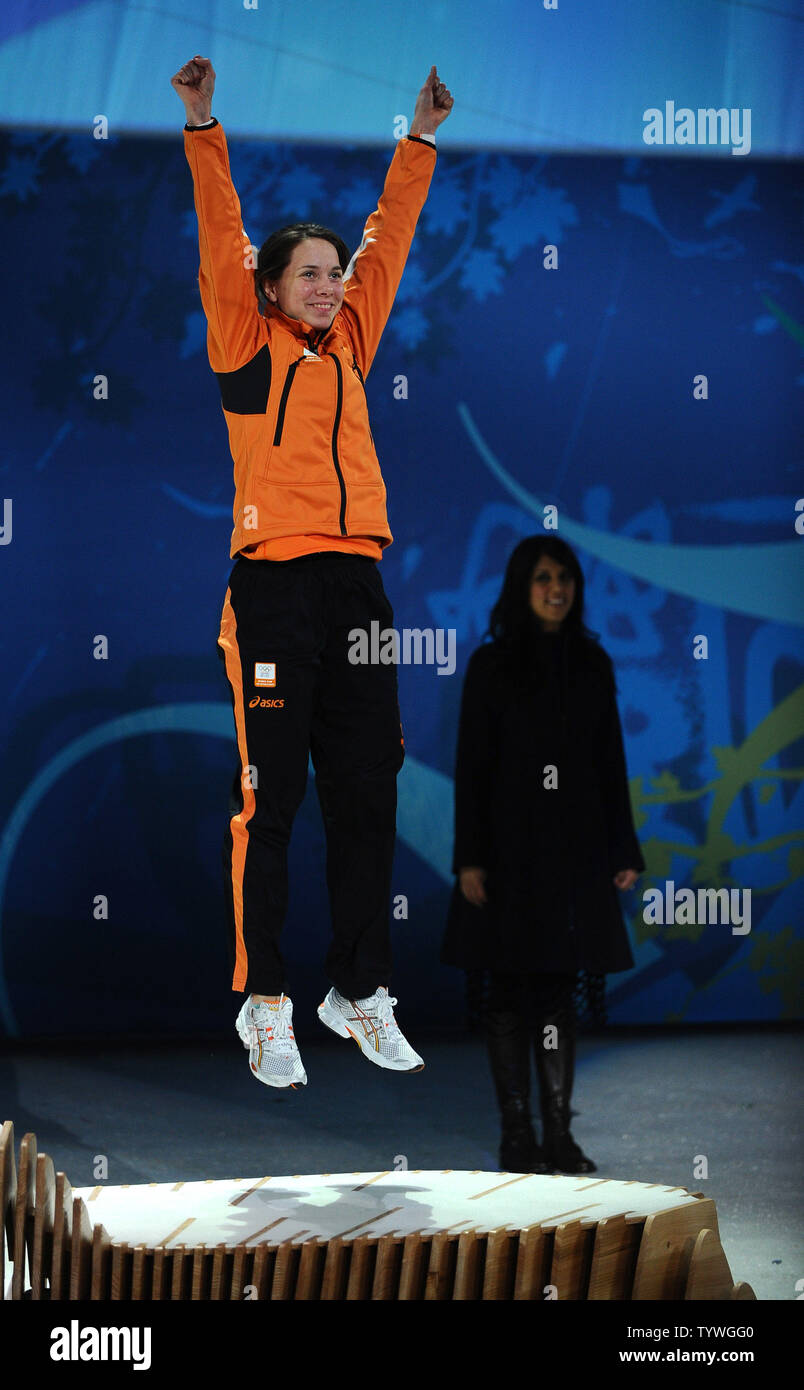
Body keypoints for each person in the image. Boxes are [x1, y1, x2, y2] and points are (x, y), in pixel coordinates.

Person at [171, 56, 453, 1088]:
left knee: (370, 790)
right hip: (274, 591)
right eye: (312, 275)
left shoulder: (353, 342)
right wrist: (204, 125)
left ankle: (359, 989)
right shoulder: (247, 348)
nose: (333, 287)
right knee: (273, 801)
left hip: (358, 589)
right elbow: (218, 235)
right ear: (272, 290)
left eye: (338, 275)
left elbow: (392, 239)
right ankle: (267, 1003)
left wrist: (417, 138)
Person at [441, 536, 644, 1173]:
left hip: (574, 854)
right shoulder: (491, 665)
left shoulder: (591, 663)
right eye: (543, 578)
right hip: (505, 853)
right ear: (521, 587)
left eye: (566, 579)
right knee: (506, 993)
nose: (557, 589)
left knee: (557, 992)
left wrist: (623, 846)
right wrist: (469, 858)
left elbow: (611, 762)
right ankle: (516, 1136)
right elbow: (471, 768)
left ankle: (558, 1136)